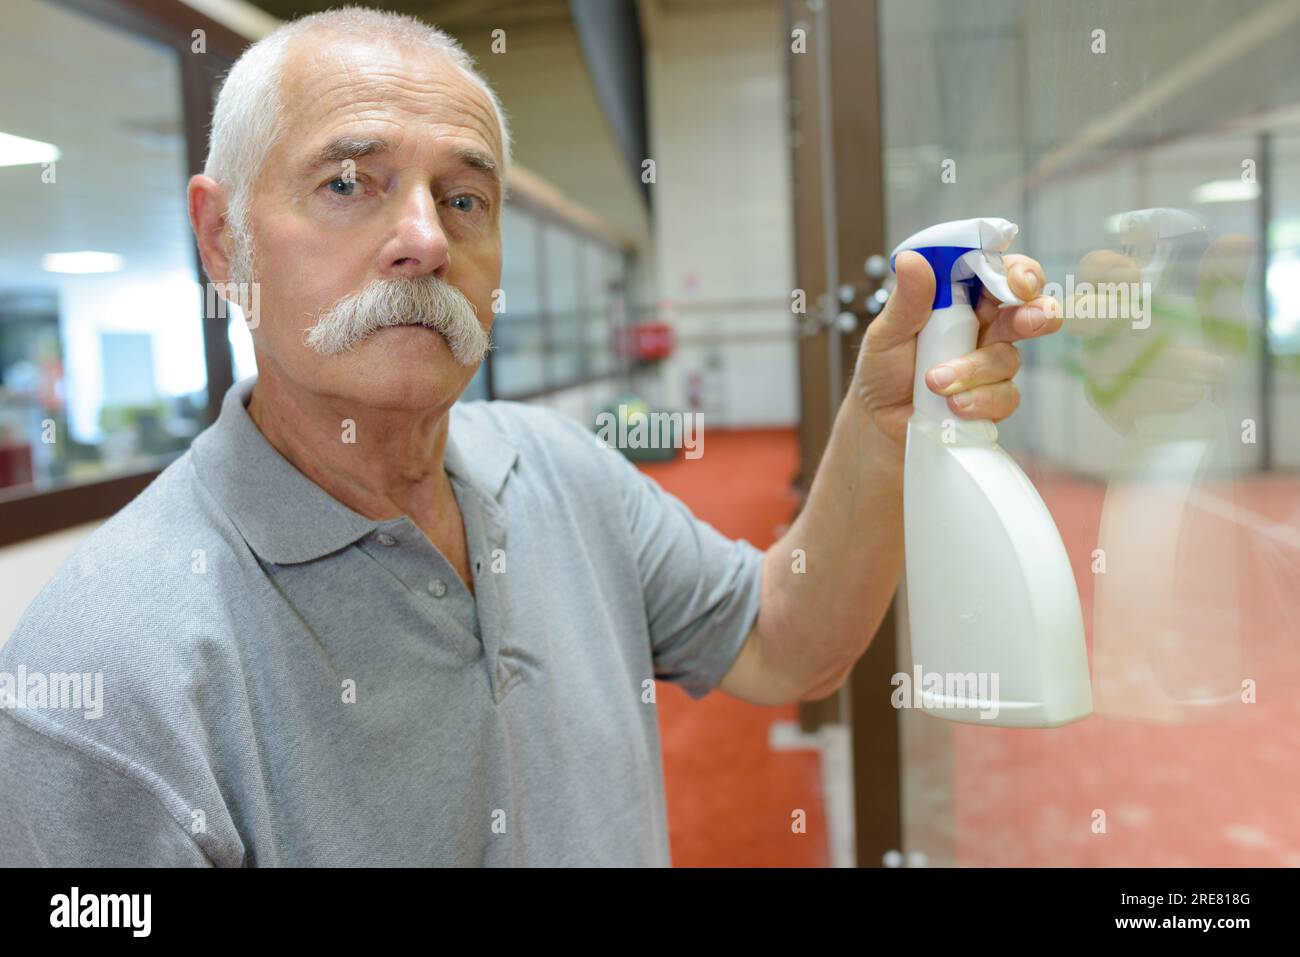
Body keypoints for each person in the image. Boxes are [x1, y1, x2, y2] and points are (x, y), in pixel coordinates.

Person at [0, 6, 1060, 866]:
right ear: (221, 237)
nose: (422, 238)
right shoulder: (103, 680)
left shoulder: (560, 470)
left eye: (464, 199)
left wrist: (882, 422)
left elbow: (788, 641)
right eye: (346, 184)